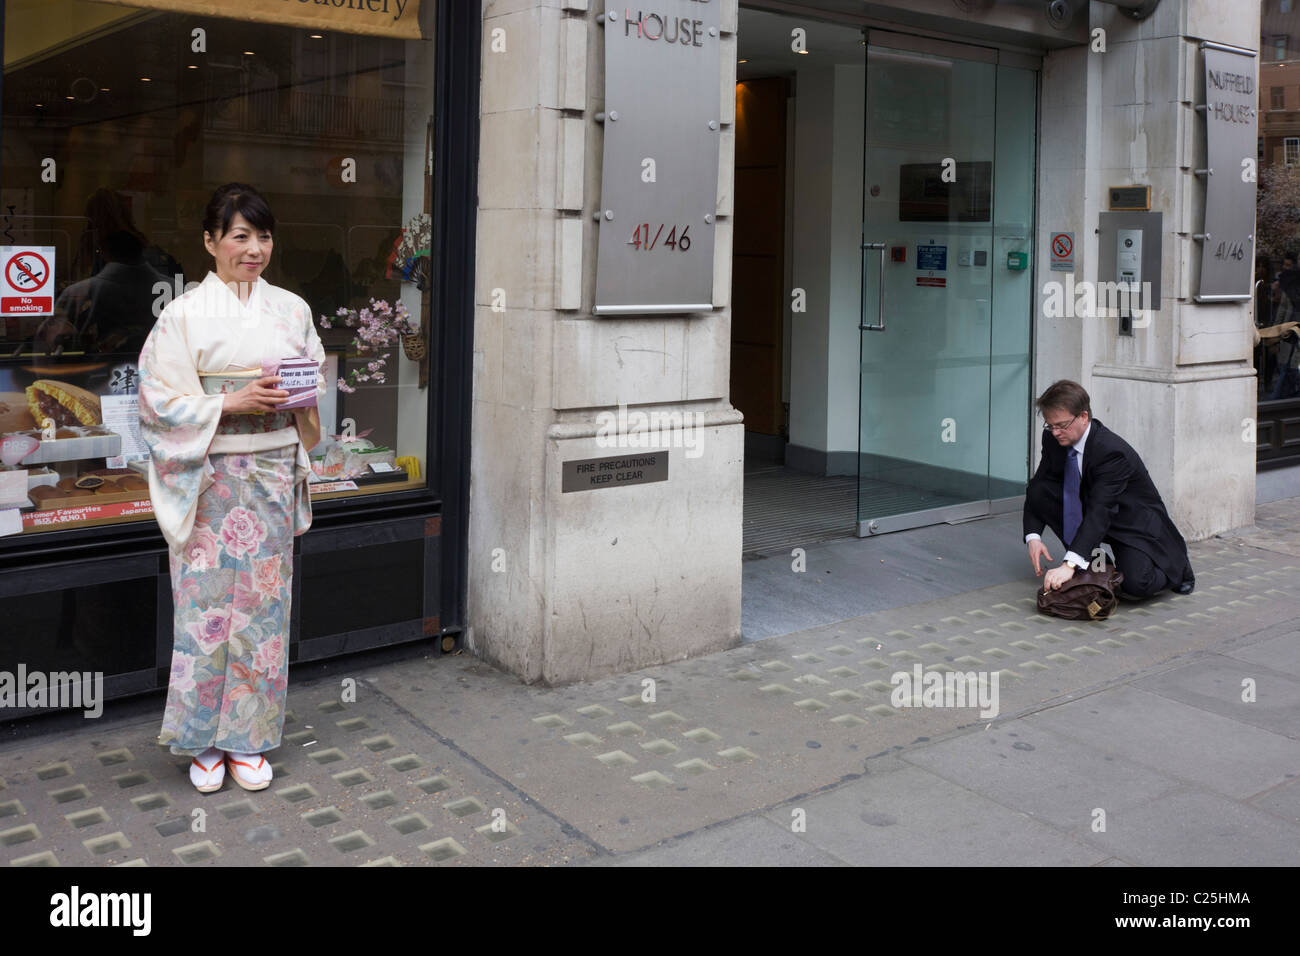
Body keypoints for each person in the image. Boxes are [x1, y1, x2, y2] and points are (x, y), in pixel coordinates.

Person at [137, 183, 325, 793]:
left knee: (263, 611)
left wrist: (302, 399)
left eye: (263, 236)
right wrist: (230, 401)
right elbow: (158, 403)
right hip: (210, 475)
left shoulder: (292, 309)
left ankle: (248, 738)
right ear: (210, 242)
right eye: (240, 236)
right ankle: (200, 741)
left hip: (270, 470)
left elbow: (313, 382)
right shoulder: (183, 313)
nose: (254, 249)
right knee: (205, 610)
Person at [1024, 380, 1194, 601]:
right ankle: (1095, 562)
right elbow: (1039, 486)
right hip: (1091, 508)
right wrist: (1033, 537)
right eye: (1050, 425)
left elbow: (1101, 510)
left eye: (1061, 425)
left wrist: (1068, 565)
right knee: (1042, 490)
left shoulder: (1111, 452)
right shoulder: (1053, 439)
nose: (1055, 432)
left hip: (1131, 520)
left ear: (1083, 417)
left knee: (1136, 585)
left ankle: (1179, 569)